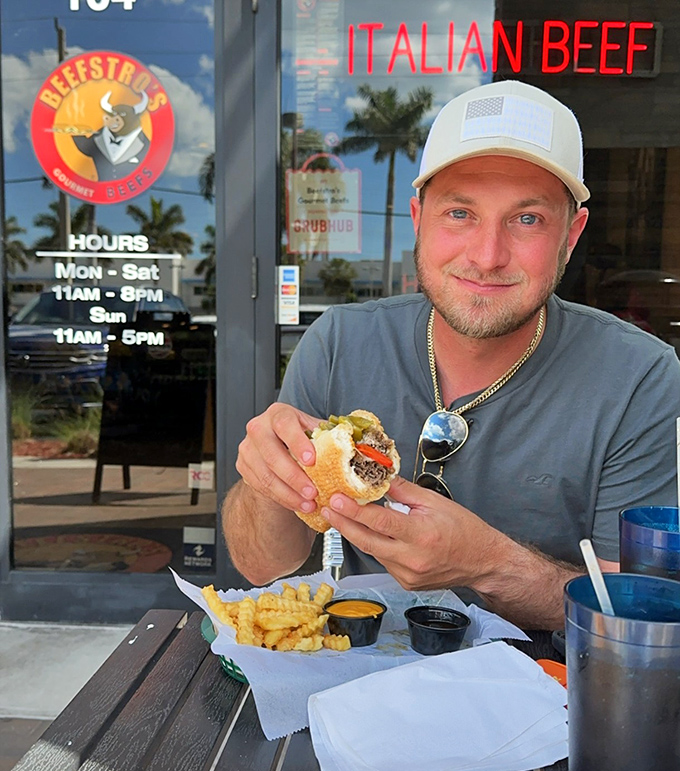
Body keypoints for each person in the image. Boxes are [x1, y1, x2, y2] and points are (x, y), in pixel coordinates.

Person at [223, 80, 680, 630]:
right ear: (419, 219)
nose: (487, 256)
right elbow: (260, 565)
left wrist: (488, 564)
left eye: (528, 219)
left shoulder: (640, 379)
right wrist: (265, 483)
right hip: (362, 664)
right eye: (460, 213)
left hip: (548, 679)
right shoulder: (339, 343)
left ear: (571, 234)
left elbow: (639, 618)